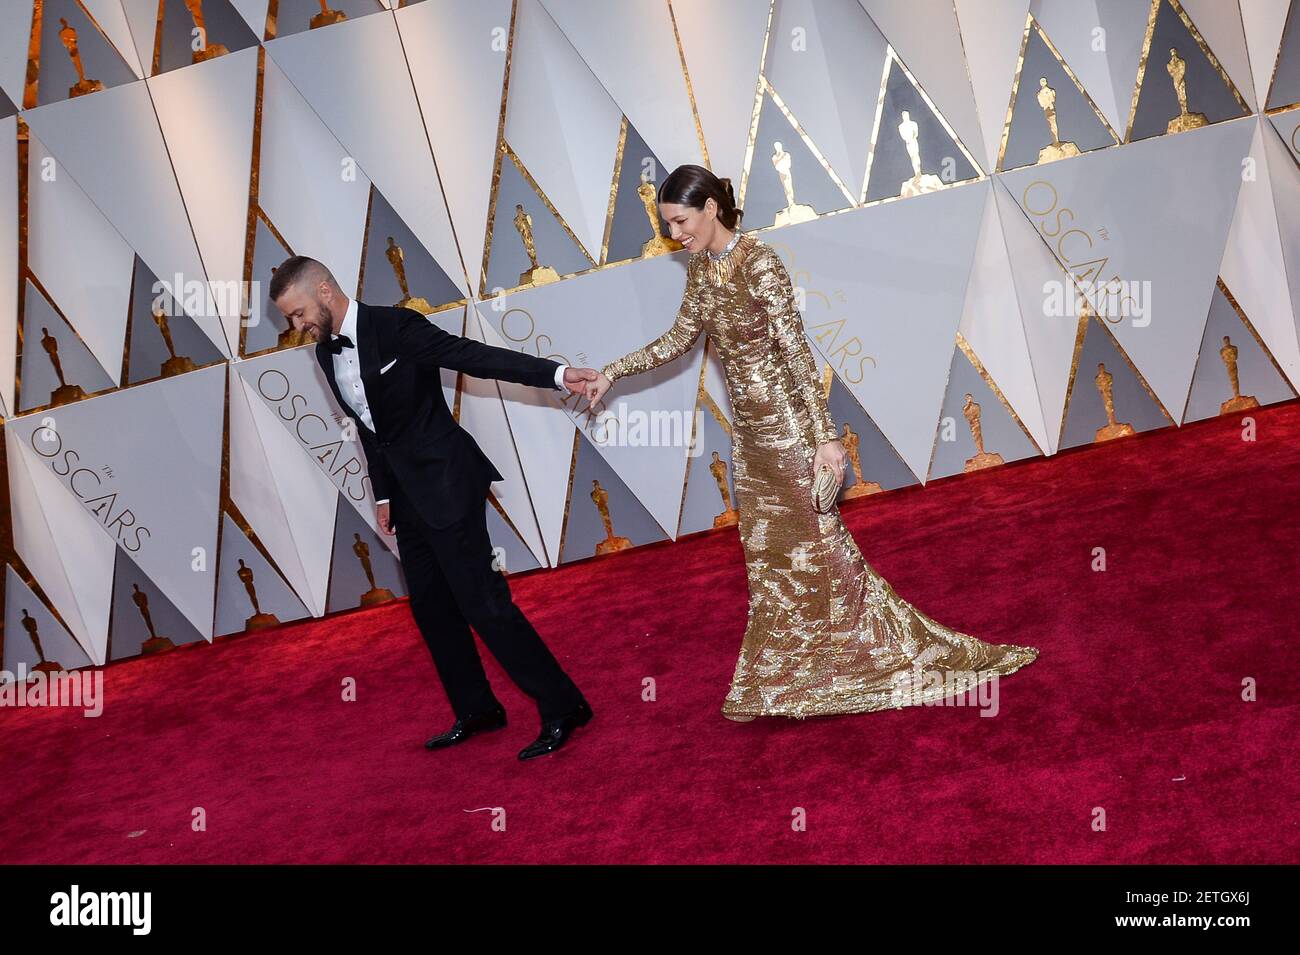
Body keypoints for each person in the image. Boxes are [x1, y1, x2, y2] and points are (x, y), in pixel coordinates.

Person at [585, 166, 1039, 720]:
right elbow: (680, 339)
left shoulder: (760, 263)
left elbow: (796, 352)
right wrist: (613, 371)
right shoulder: (703, 269)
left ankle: (876, 657)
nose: (674, 235)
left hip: (792, 436)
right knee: (771, 562)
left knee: (825, 555)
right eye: (668, 226)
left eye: (680, 221)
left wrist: (825, 438)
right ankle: (783, 676)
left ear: (709, 208)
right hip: (751, 443)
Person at [270, 256, 596, 759]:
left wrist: (557, 374)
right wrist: (382, 494)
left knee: (483, 603)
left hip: (447, 482)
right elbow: (367, 427)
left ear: (325, 290)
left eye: (297, 313)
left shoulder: (396, 327)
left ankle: (562, 704)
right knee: (431, 609)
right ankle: (478, 708)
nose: (297, 326)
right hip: (405, 498)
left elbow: (473, 356)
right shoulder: (325, 353)